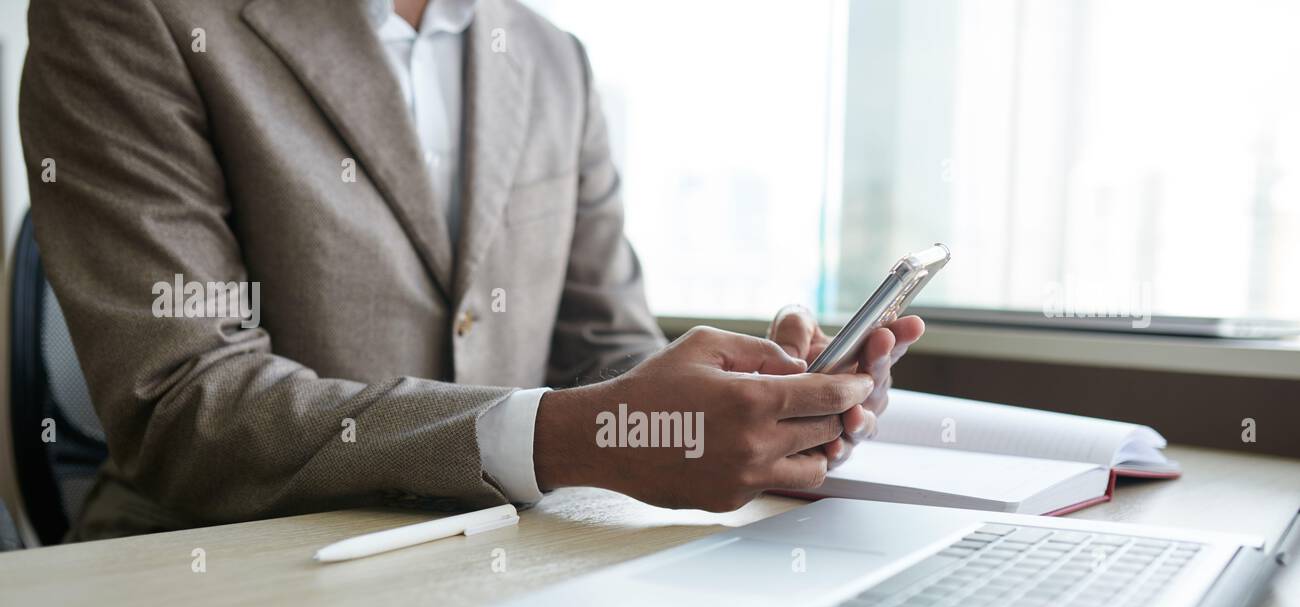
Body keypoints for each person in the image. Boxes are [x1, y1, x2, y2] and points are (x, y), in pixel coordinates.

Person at [20, 0, 923, 540]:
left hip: (505, 569)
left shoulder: (550, 58)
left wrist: (746, 408)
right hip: (216, 580)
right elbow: (186, 403)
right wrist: (580, 436)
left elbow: (603, 346)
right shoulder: (127, 17)